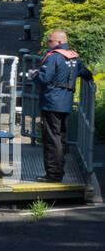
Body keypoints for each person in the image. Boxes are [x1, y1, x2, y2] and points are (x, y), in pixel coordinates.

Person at [30, 31, 93, 182]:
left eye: (49, 41)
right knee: (60, 137)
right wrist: (90, 79)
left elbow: (44, 78)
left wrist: (33, 74)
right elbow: (85, 73)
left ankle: (53, 175)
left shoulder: (53, 57)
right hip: (65, 103)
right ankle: (58, 171)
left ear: (57, 42)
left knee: (52, 139)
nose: (47, 43)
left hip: (51, 103)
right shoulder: (74, 57)